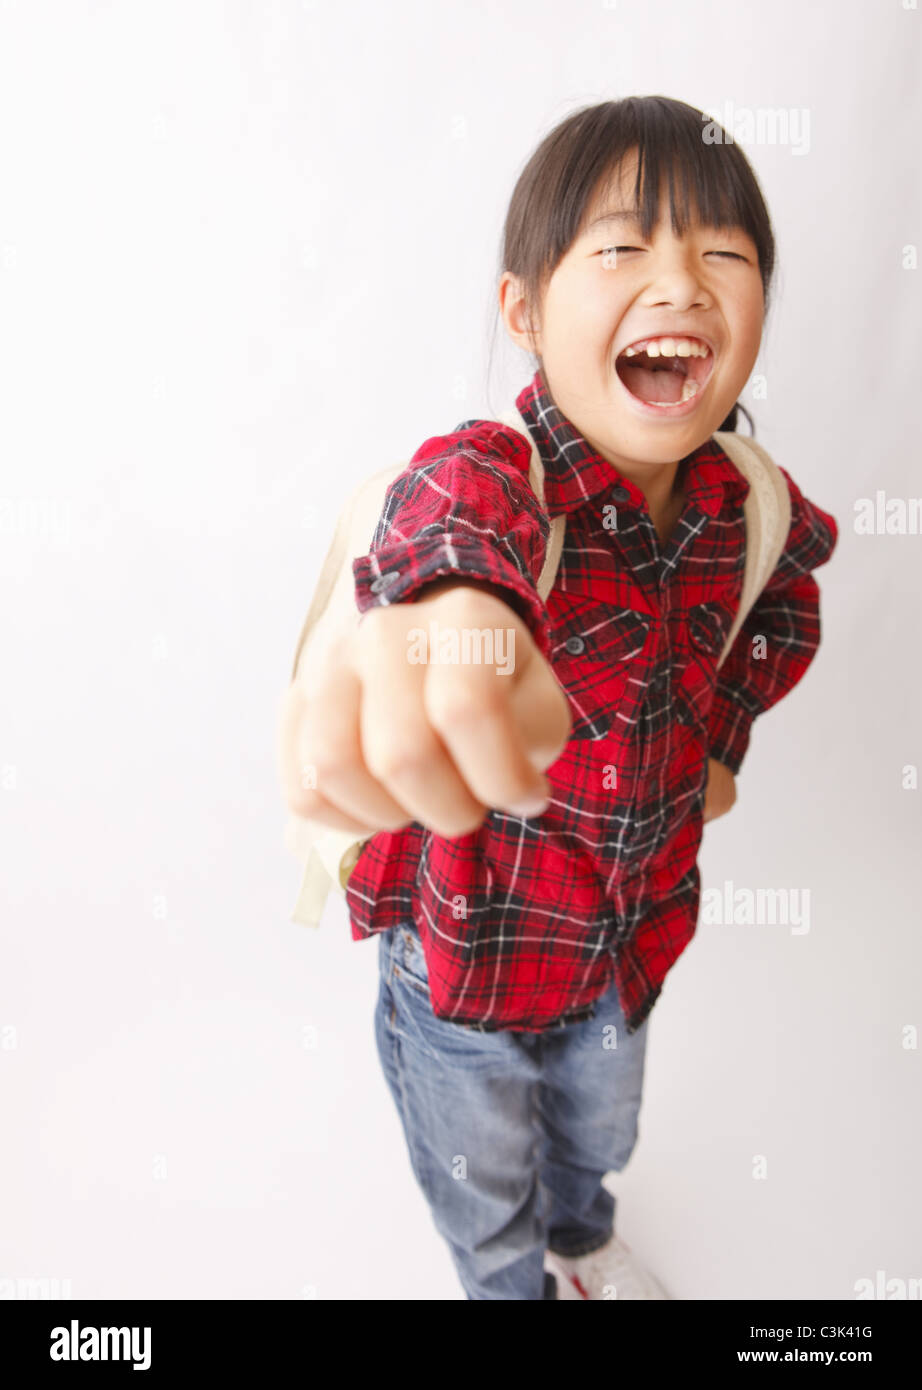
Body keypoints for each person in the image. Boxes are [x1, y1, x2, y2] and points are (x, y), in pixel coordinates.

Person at [279, 95, 839, 1299]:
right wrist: (456, 616)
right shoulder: (498, 476)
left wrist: (719, 742)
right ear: (525, 313)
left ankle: (582, 1240)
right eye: (625, 248)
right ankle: (506, 1281)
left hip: (626, 934)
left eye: (724, 256)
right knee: (480, 1178)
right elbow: (448, 519)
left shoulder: (753, 505)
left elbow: (787, 609)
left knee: (598, 1132)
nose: (682, 282)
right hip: (466, 959)